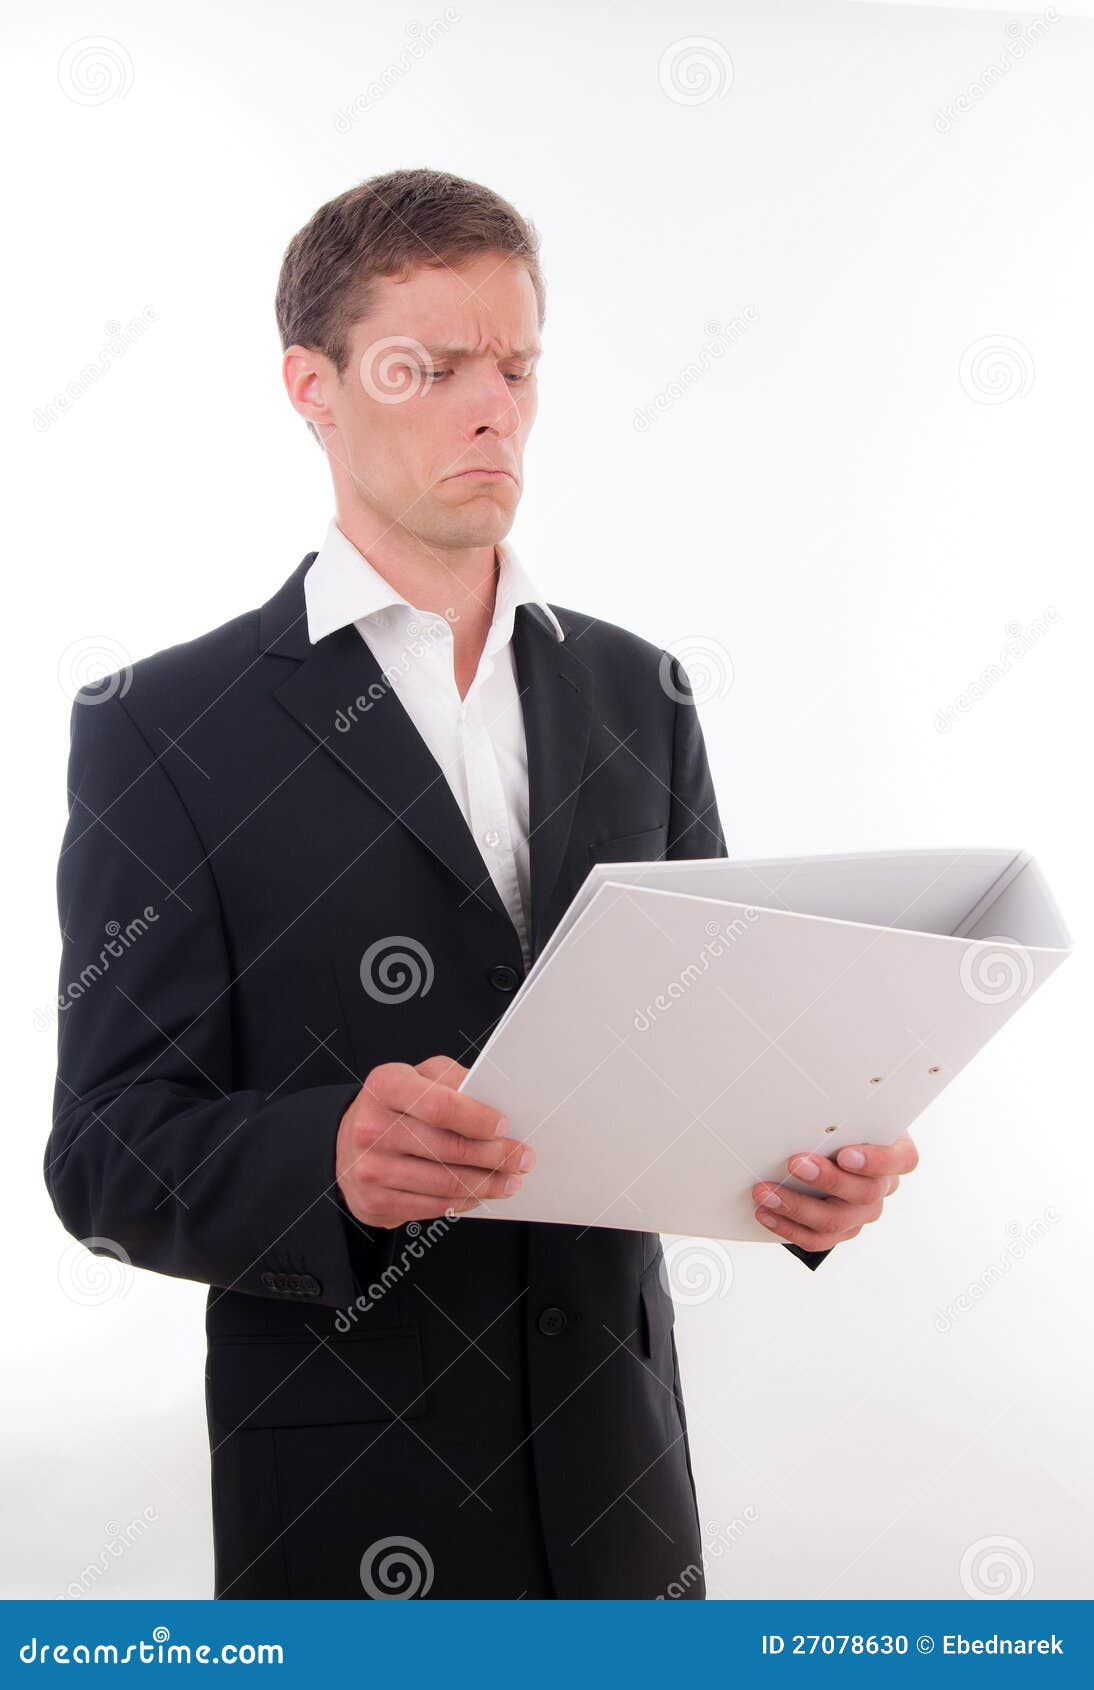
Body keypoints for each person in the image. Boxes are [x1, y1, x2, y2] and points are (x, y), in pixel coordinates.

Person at [45, 168, 916, 1600]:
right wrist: (322, 1155)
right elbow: (102, 1154)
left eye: (514, 365)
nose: (491, 405)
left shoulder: (643, 691)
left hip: (622, 1489)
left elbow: (698, 1057)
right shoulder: (164, 725)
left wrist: (799, 1162)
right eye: (429, 366)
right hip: (344, 1496)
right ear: (311, 387)